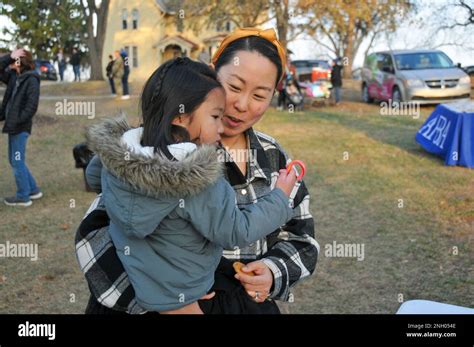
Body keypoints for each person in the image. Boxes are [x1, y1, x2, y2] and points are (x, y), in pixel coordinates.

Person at [79, 27, 319, 314]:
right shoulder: (148, 152)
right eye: (234, 87)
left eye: (259, 95)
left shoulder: (273, 156)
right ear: (210, 75)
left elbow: (301, 238)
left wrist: (272, 271)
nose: (241, 105)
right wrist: (165, 302)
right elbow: (95, 238)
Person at [0, 48, 43, 207]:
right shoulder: (14, 76)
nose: (11, 62)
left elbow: (31, 107)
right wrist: (9, 57)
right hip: (13, 126)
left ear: (21, 61)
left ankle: (23, 197)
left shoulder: (31, 79)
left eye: (15, 59)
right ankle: (33, 190)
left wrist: (17, 121)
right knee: (15, 160)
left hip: (20, 127)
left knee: (17, 161)